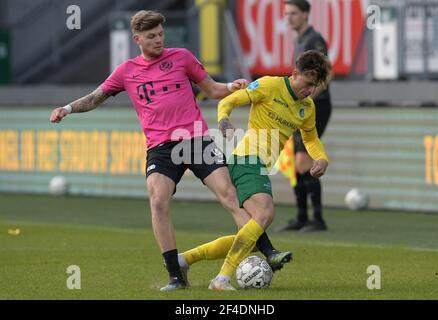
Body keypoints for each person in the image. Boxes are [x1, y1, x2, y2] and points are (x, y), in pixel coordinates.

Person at [49, 10, 289, 291]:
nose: (158, 40)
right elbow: (95, 98)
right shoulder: (126, 71)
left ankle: (269, 250)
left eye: (161, 34)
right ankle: (176, 275)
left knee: (230, 195)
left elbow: (211, 89)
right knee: (158, 201)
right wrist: (66, 109)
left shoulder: (182, 57)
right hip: (161, 147)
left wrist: (230, 86)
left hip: (197, 139)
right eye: (151, 37)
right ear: (137, 38)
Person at [179, 49, 331, 290]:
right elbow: (229, 100)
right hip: (247, 159)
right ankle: (222, 279)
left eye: (315, 86)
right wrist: (224, 119)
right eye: (308, 84)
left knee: (249, 235)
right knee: (265, 213)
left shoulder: (307, 107)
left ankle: (184, 259)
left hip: (261, 166)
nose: (310, 91)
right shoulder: (269, 85)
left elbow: (310, 139)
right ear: (294, 74)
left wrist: (321, 158)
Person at [278, 0, 333, 232]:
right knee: (295, 161)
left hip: (316, 106)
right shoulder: (299, 40)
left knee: (303, 160)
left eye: (293, 13)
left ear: (305, 14)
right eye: (286, 14)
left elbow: (327, 73)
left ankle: (317, 219)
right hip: (301, 107)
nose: (288, 18)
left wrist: (308, 97)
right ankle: (302, 216)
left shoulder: (314, 39)